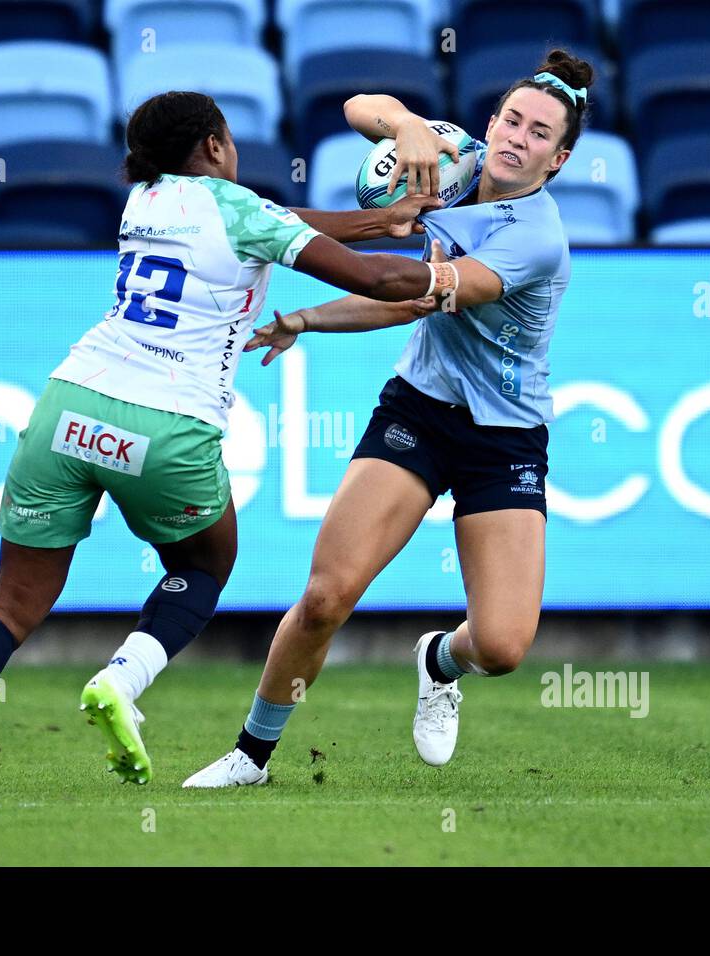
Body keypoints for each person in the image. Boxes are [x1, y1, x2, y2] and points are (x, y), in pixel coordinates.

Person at [0, 90, 458, 794]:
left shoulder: (145, 200)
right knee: (205, 565)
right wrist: (457, 279)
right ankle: (121, 681)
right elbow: (363, 275)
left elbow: (272, 226)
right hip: (166, 427)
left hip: (68, 406)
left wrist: (382, 218)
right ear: (217, 147)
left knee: (9, 605)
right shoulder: (239, 208)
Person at [184, 50, 594, 788]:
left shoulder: (536, 239)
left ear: (558, 158)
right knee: (324, 597)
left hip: (504, 437)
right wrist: (408, 125)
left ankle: (439, 660)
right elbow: (356, 107)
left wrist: (308, 246)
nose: (515, 137)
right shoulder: (460, 158)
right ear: (492, 120)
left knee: (501, 647)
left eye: (538, 134)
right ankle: (252, 755)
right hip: (420, 408)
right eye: (510, 119)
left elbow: (412, 290)